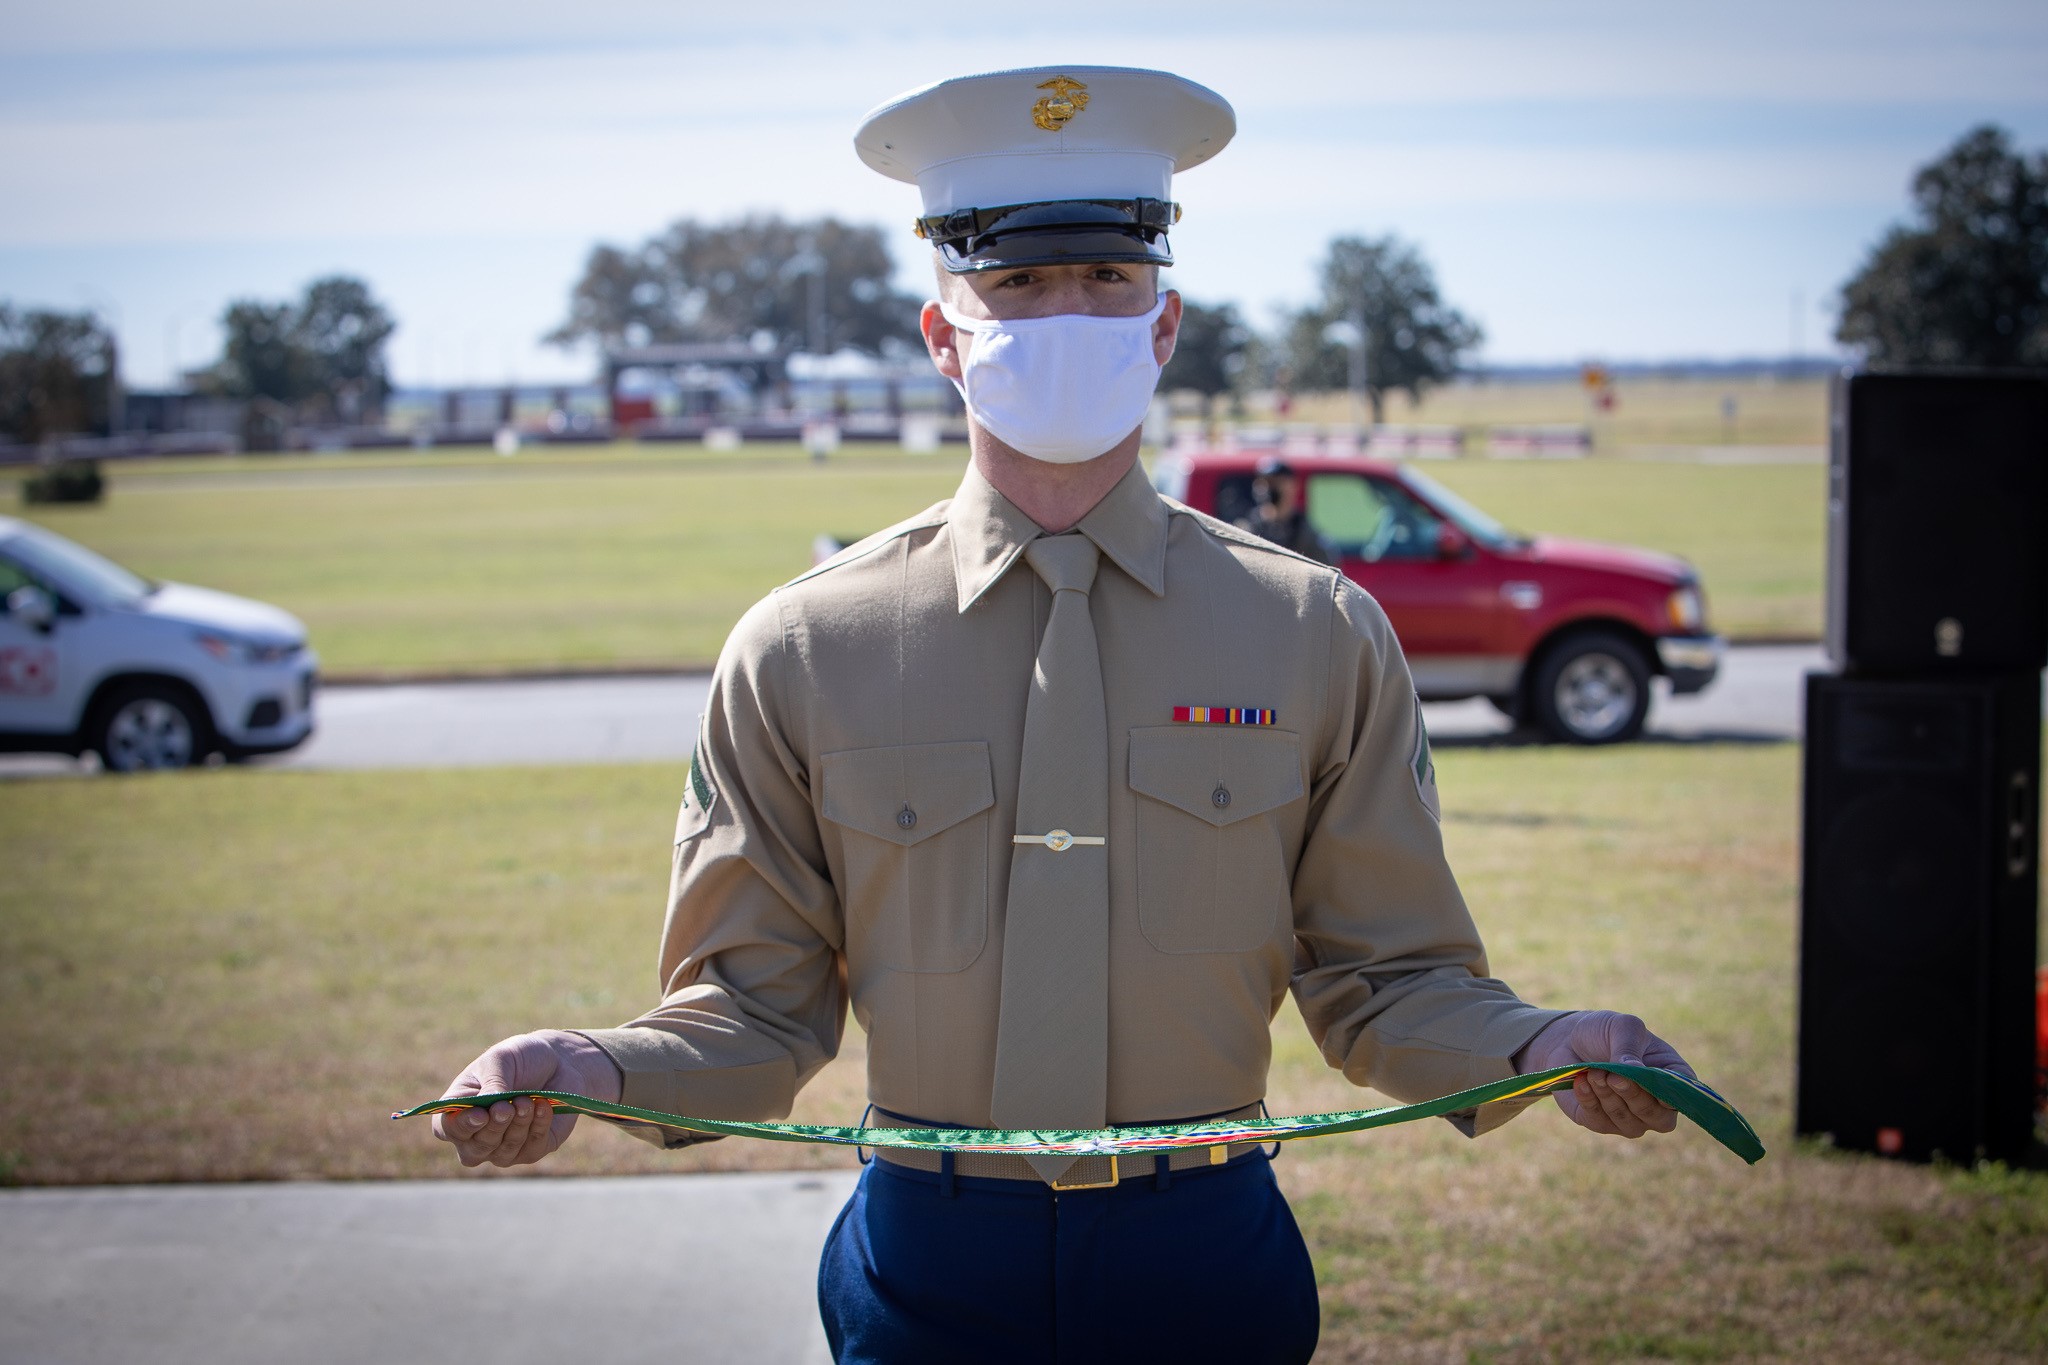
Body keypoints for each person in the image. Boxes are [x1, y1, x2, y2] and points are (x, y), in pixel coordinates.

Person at [431, 66, 1697, 1364]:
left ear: (1164, 325)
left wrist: (1543, 1043)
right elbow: (756, 1013)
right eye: (1019, 284)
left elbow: (1390, 978)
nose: (1069, 313)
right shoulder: (802, 646)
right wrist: (587, 1066)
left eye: (1107, 279)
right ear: (942, 335)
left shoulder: (1315, 629)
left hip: (1208, 1252)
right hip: (925, 1263)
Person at [1234, 455, 1332, 563]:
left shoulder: (1307, 535)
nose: (1269, 488)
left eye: (1277, 483)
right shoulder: (1245, 531)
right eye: (1265, 482)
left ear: (1293, 486)